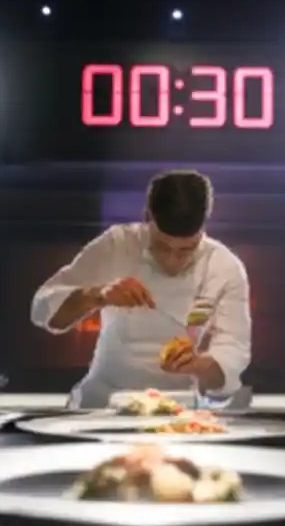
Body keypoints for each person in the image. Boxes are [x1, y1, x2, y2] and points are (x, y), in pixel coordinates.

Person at [31, 169, 252, 409]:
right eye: (162, 246)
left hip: (177, 408)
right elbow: (44, 311)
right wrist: (97, 295)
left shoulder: (224, 266)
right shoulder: (117, 244)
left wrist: (200, 365)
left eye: (186, 250)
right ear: (147, 218)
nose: (172, 260)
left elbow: (233, 351)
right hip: (103, 403)